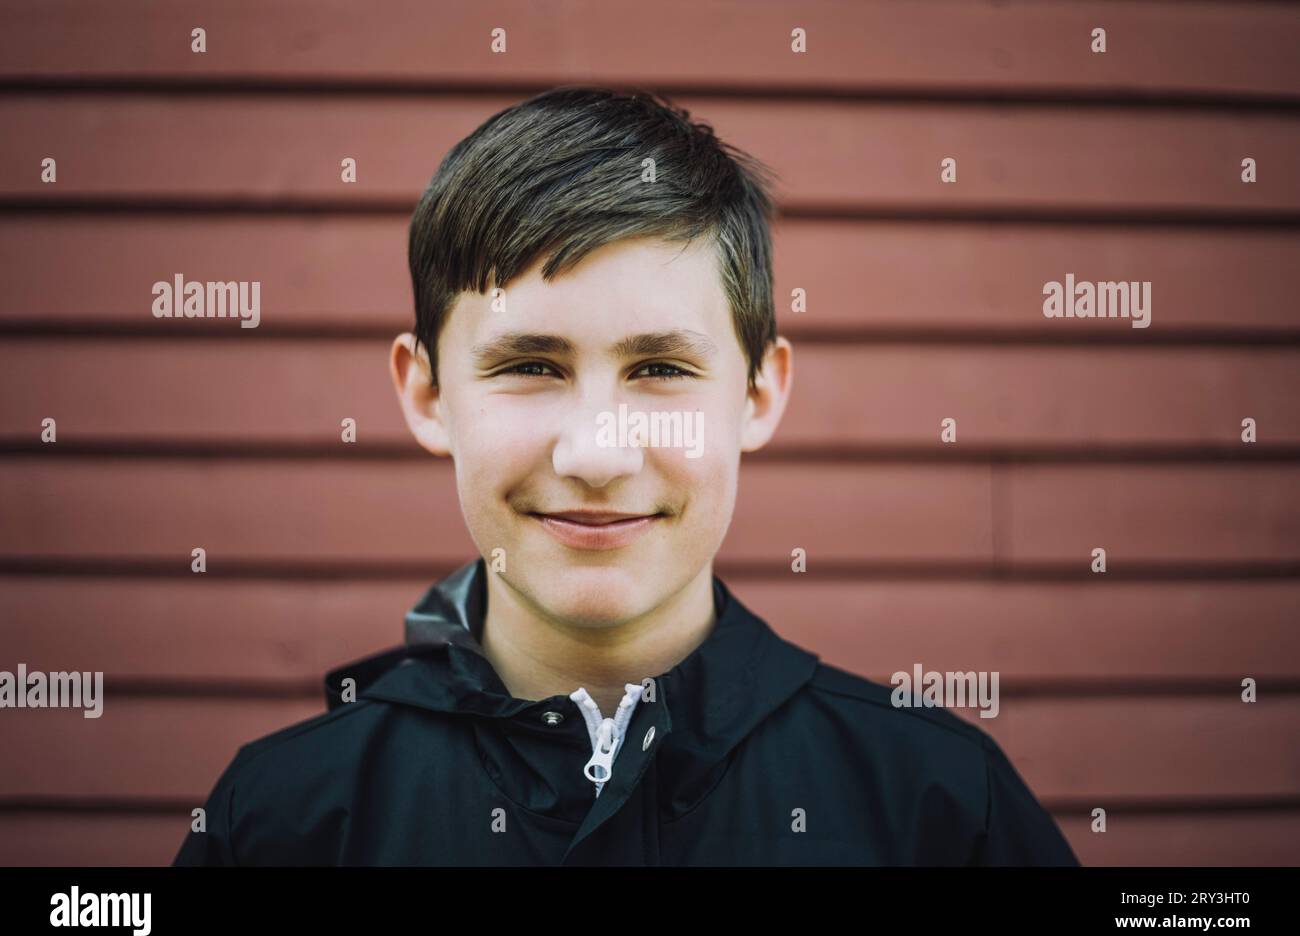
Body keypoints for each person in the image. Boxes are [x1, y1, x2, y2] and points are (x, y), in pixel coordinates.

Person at [173, 86, 1079, 866]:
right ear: (428, 394)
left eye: (661, 369)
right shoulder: (282, 821)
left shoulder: (938, 808)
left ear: (760, 394)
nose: (597, 454)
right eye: (530, 365)